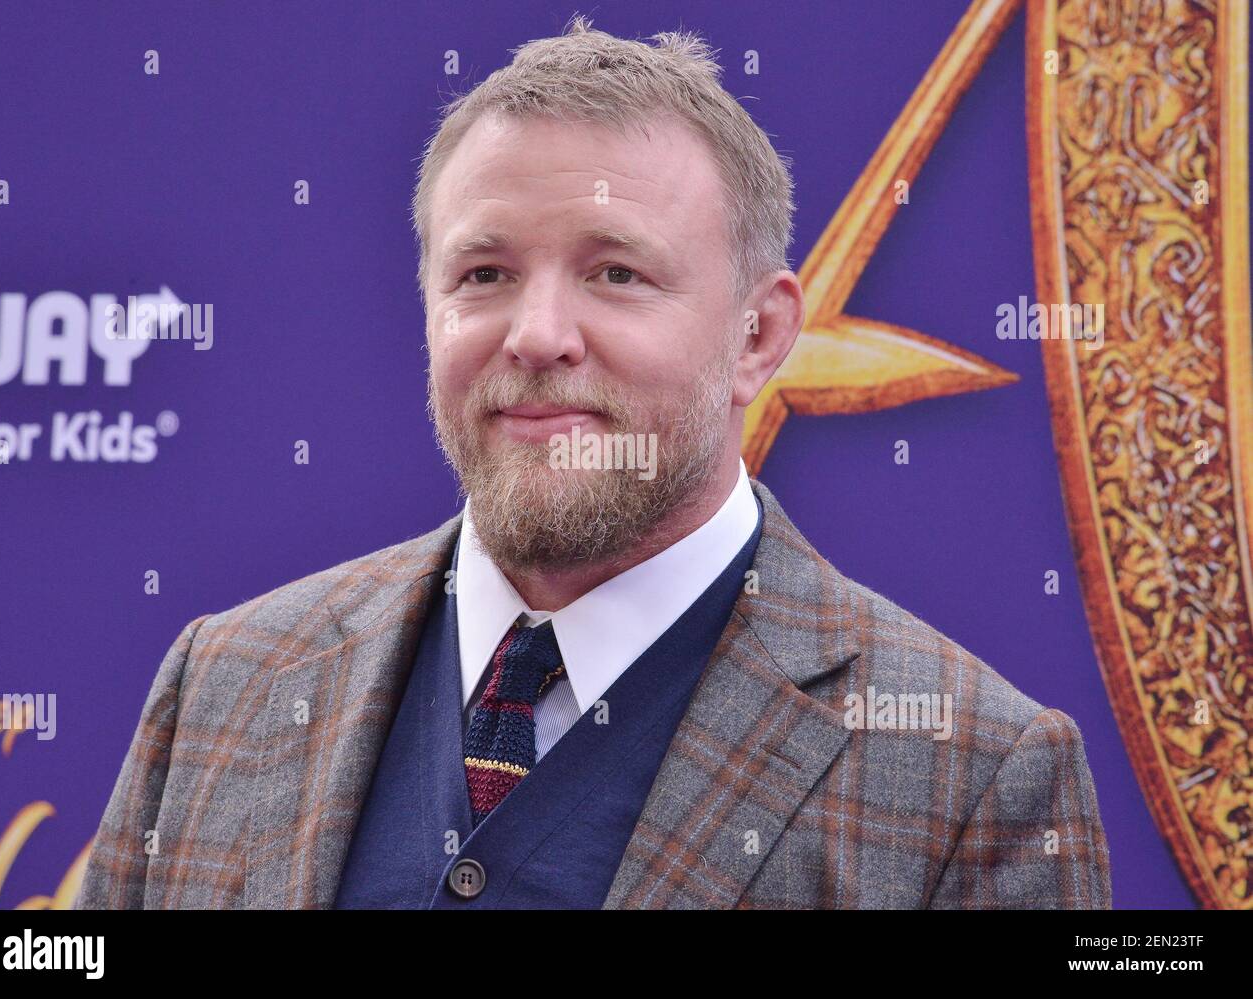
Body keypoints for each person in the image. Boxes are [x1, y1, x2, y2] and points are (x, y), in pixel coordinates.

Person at [77, 14, 1110, 909]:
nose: (537, 334)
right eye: (483, 273)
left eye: (615, 272)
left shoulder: (974, 777)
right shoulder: (222, 684)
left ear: (757, 334)